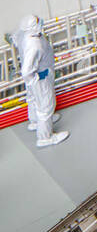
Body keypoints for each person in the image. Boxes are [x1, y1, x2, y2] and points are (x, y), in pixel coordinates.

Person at [17, 14, 68, 148]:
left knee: (34, 100)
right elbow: (26, 71)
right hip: (40, 78)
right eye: (38, 22)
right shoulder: (35, 45)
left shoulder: (27, 37)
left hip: (35, 79)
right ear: (33, 26)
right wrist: (37, 78)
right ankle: (45, 137)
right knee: (45, 106)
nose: (41, 22)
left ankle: (35, 122)